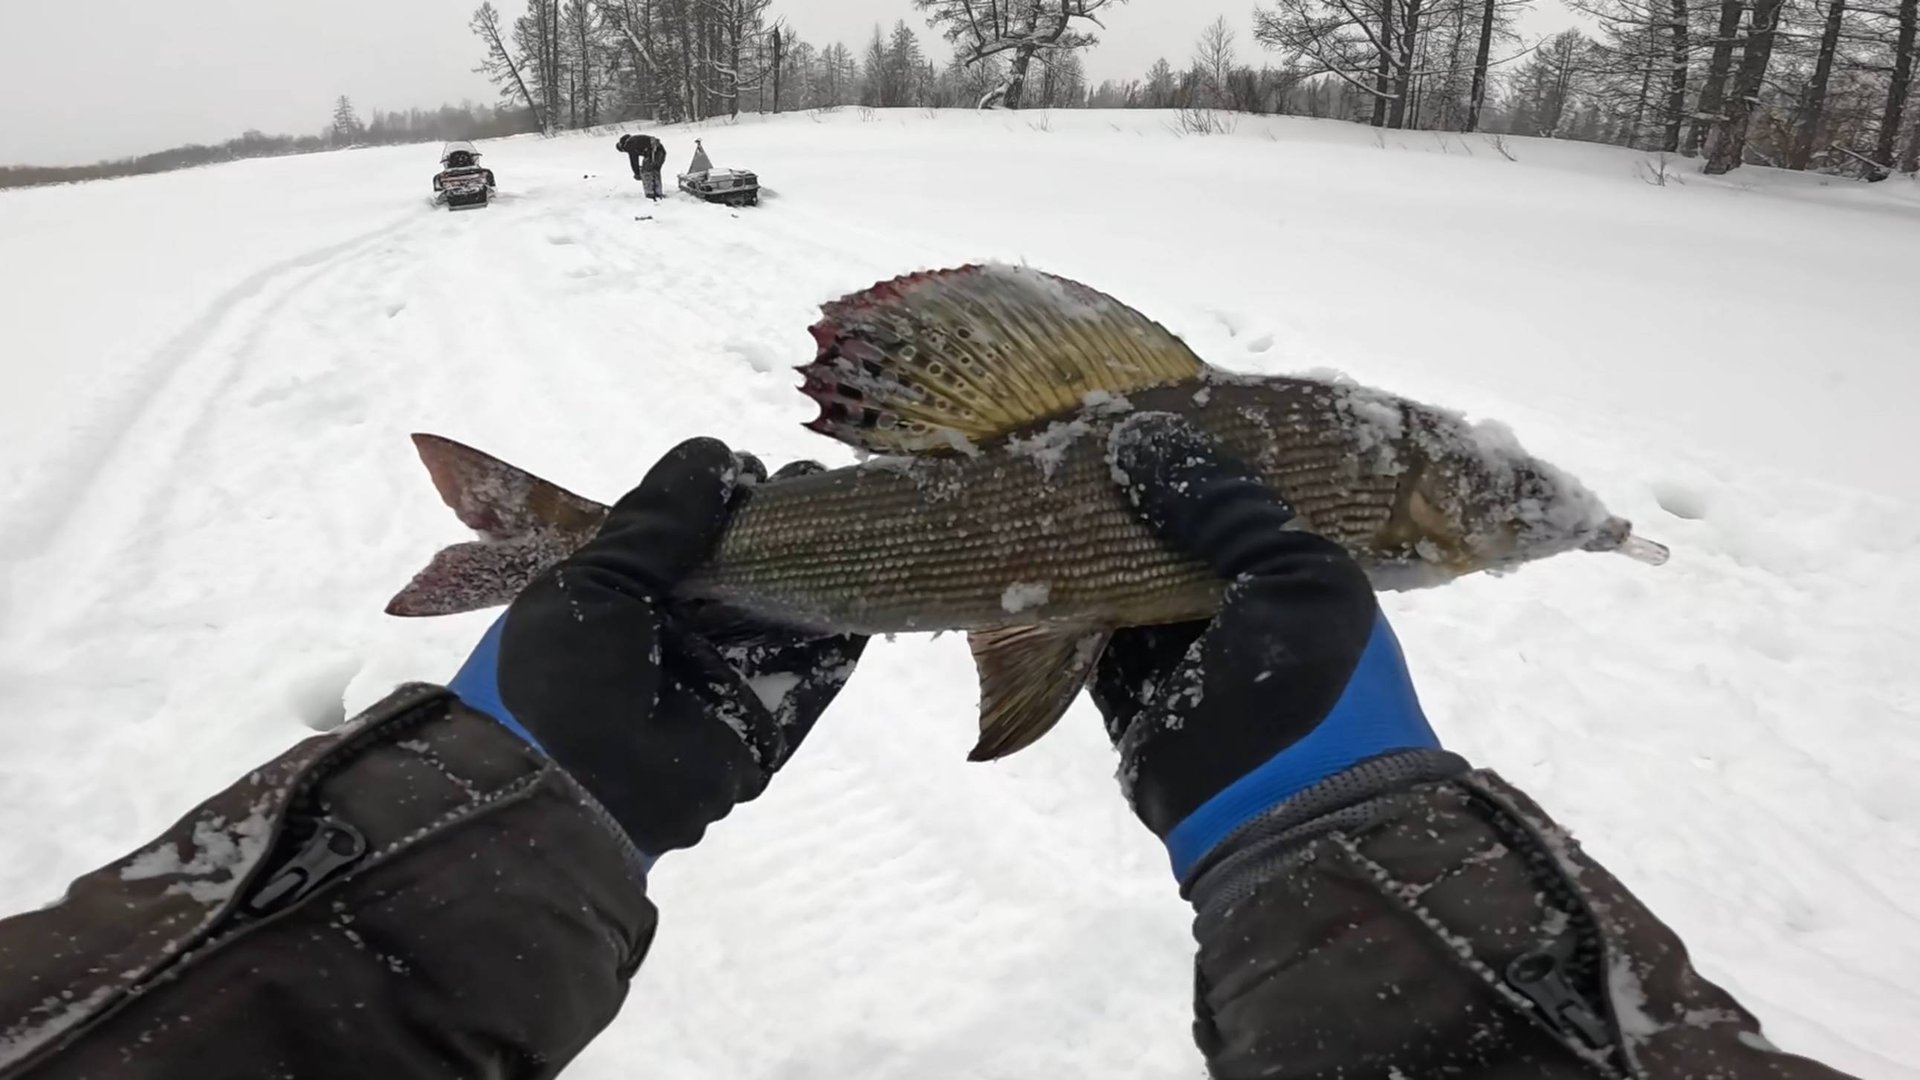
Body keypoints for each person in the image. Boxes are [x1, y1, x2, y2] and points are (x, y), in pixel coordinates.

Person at [0, 417, 1858, 1079]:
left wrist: (487, 803)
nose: (1536, 512)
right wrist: (1340, 826)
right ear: (1432, 506)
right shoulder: (1380, 486)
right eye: (1515, 499)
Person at [616, 132, 668, 200]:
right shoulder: (636, 139)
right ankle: (658, 192)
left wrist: (637, 173)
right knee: (655, 172)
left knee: (646, 172)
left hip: (652, 152)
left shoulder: (628, 144)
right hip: (661, 151)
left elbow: (634, 160)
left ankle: (650, 194)